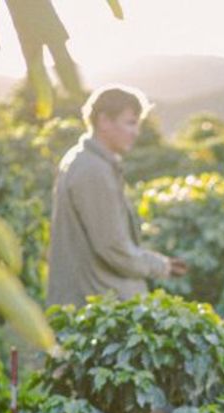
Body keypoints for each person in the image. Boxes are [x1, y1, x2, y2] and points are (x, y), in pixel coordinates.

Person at [46, 85, 186, 307]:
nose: (136, 132)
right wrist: (160, 266)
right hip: (97, 303)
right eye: (130, 122)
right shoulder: (93, 169)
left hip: (93, 298)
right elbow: (113, 248)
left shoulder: (87, 160)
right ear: (103, 121)